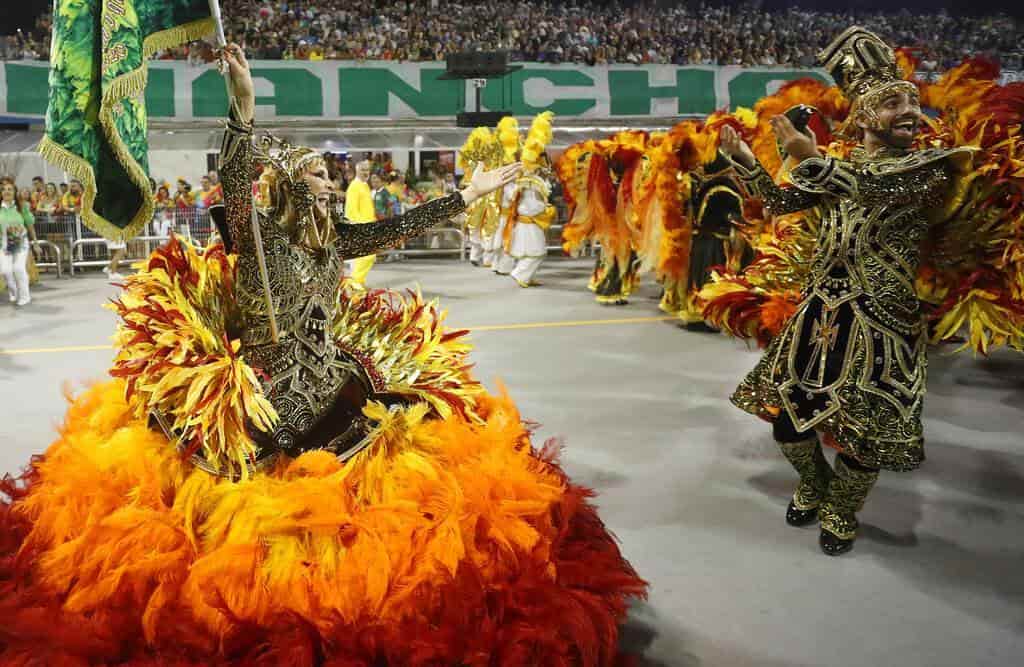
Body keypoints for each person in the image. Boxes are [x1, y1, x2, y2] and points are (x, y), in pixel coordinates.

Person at [0, 43, 645, 663]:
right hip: (275, 407)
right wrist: (242, 112)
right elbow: (234, 183)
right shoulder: (262, 244)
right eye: (316, 175)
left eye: (329, 176)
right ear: (287, 187)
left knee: (426, 427)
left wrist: (470, 195)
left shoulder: (331, 241)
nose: (330, 184)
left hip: (335, 380)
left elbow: (400, 227)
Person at [720, 26, 974, 556]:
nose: (910, 111)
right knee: (788, 422)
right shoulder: (840, 165)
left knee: (869, 431)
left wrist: (814, 159)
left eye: (912, 101)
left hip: (883, 319)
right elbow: (785, 201)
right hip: (819, 314)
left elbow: (873, 187)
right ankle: (813, 482)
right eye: (893, 104)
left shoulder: (926, 167)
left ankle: (842, 506)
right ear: (861, 117)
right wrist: (747, 161)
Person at [506, 112, 556, 288]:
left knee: (534, 253)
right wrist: (545, 208)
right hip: (529, 223)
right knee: (536, 253)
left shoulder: (529, 180)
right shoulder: (530, 181)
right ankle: (520, 275)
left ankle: (527, 276)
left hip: (530, 223)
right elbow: (530, 206)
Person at [0, 180, 36, 305]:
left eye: (10, 189)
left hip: (21, 242)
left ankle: (25, 297)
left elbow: (30, 225)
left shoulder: (22, 207)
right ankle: (14, 291)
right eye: (4, 189)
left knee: (18, 268)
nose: (6, 191)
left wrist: (35, 243)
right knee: (5, 271)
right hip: (4, 244)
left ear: (15, 192)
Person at [343, 159, 376, 285]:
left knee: (367, 257)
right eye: (363, 170)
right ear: (357, 171)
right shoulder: (354, 187)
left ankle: (358, 284)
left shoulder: (365, 185)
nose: (365, 172)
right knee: (363, 258)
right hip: (360, 228)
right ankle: (355, 285)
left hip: (368, 226)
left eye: (367, 170)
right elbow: (351, 209)